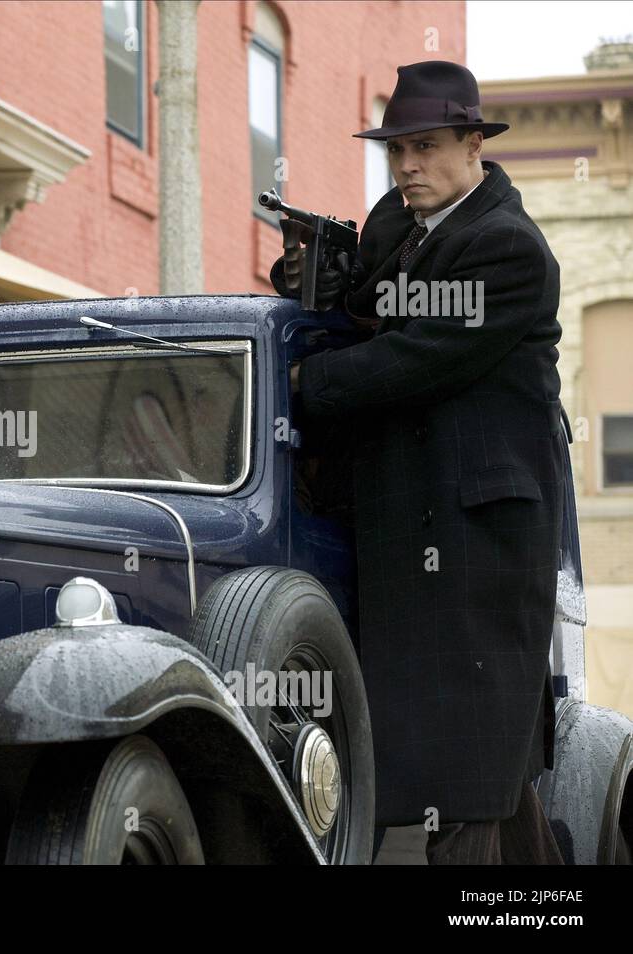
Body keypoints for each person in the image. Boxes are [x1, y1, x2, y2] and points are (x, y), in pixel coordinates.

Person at [274, 61, 567, 864]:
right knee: (479, 773)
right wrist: (313, 276)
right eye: (396, 149)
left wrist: (295, 383)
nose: (406, 167)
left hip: (478, 545)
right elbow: (363, 305)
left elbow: (411, 359)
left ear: (474, 144)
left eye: (426, 147)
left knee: (462, 773)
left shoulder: (507, 249)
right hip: (402, 524)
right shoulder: (394, 222)